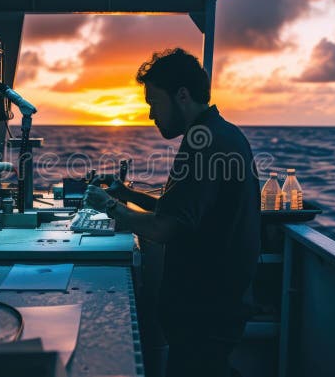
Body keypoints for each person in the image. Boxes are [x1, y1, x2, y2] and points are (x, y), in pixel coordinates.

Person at [84, 48, 260, 377]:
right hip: (216, 305)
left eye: (154, 103)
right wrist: (126, 194)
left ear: (181, 95)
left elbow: (163, 228)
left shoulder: (203, 142)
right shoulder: (221, 132)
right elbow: (183, 211)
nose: (151, 115)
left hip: (205, 312)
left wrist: (108, 205)